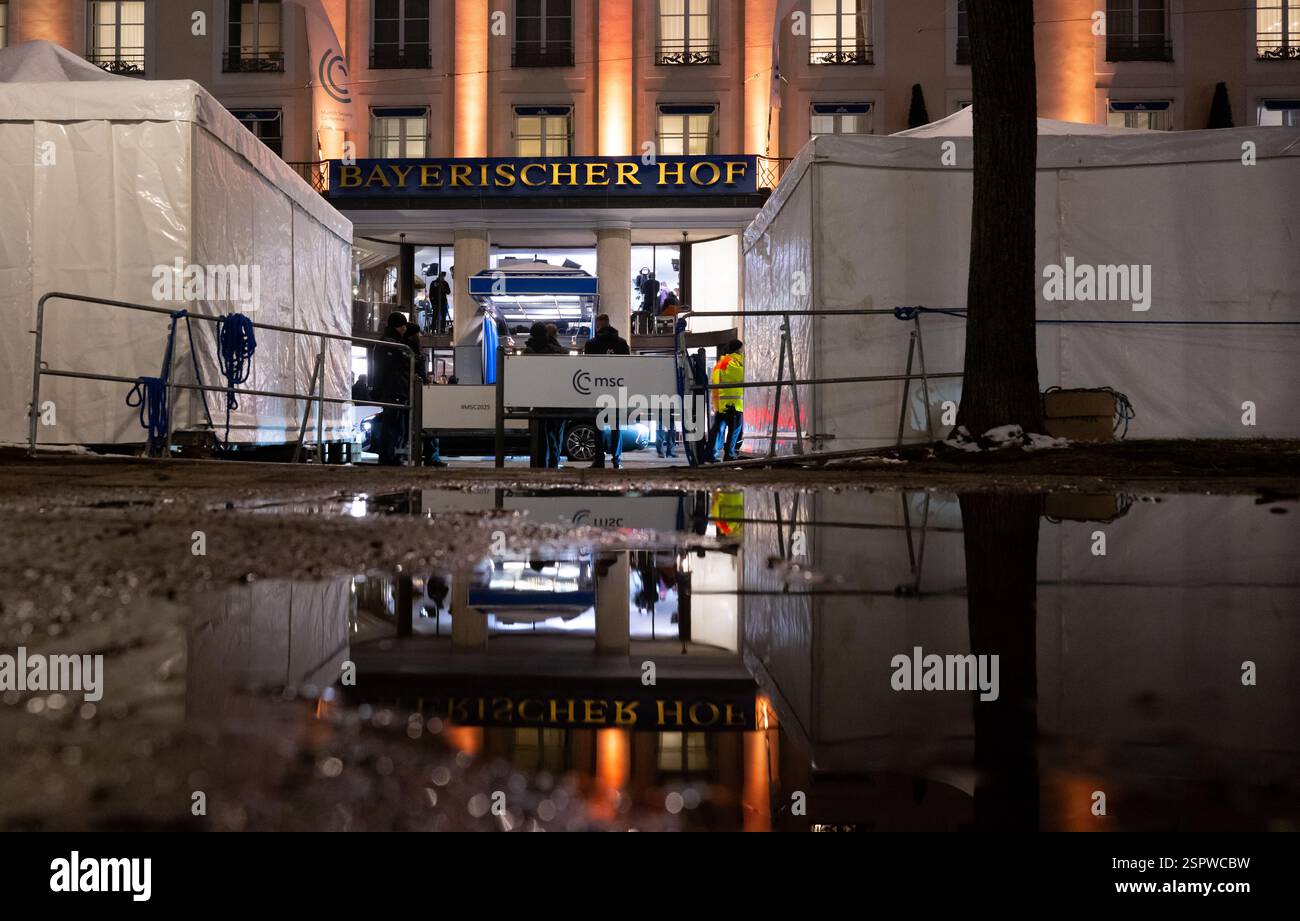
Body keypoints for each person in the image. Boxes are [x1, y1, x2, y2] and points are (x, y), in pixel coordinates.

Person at [583, 314, 631, 469]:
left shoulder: (591, 344)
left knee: (599, 426)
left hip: (599, 390)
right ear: (609, 324)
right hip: (617, 389)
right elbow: (628, 368)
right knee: (616, 426)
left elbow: (588, 368)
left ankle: (599, 460)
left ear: (597, 326)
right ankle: (617, 461)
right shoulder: (622, 343)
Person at [370, 312, 413, 466]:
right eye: (404, 325)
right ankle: (389, 458)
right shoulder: (391, 345)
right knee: (392, 427)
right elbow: (385, 371)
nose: (405, 329)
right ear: (399, 326)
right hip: (394, 390)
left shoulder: (392, 343)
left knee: (395, 426)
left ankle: (392, 457)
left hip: (395, 390)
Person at [523, 322, 567, 468]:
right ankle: (553, 464)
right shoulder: (557, 351)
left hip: (536, 400)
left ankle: (539, 463)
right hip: (556, 398)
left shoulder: (527, 351)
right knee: (555, 433)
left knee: (539, 434)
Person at [707, 339, 745, 463]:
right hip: (733, 404)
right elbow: (742, 376)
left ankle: (711, 454)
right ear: (737, 349)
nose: (743, 351)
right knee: (734, 431)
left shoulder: (720, 362)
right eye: (742, 349)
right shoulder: (734, 362)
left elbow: (716, 385)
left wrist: (716, 404)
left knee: (717, 430)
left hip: (722, 404)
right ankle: (729, 455)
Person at [431, 270, 451, 335]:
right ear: (440, 276)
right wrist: (432, 303)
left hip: (443, 302)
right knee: (435, 316)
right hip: (436, 302)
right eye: (442, 276)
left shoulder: (445, 283)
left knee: (443, 316)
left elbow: (448, 292)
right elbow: (431, 293)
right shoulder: (433, 283)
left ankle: (442, 329)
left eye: (443, 277)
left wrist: (443, 288)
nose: (443, 278)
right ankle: (433, 329)